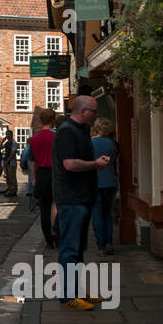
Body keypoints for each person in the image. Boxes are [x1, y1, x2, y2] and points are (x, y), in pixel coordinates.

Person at [52, 95, 112, 310]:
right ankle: (68, 296)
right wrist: (95, 164)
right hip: (71, 198)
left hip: (82, 197)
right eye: (94, 111)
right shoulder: (67, 132)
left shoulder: (81, 130)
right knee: (69, 248)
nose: (96, 116)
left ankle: (75, 290)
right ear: (83, 111)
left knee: (78, 248)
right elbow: (69, 164)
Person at [30, 108, 58, 249]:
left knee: (44, 209)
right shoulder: (57, 136)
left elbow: (32, 162)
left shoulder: (35, 138)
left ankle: (48, 240)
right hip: (56, 174)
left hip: (41, 175)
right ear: (53, 121)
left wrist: (34, 178)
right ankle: (57, 232)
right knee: (57, 204)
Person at [91, 117, 119, 256]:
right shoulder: (111, 144)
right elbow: (112, 161)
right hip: (110, 181)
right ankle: (109, 243)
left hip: (94, 181)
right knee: (107, 213)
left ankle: (101, 246)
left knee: (96, 213)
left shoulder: (89, 143)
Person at [19, 137, 38, 213]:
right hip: (38, 167)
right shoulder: (35, 147)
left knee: (32, 180)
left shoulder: (27, 148)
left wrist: (23, 166)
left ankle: (33, 202)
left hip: (31, 165)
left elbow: (23, 158)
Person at [0, 128, 19, 197]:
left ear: (11, 135)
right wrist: (2, 141)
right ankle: (9, 188)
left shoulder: (14, 143)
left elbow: (13, 153)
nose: (7, 136)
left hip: (11, 162)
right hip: (6, 162)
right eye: (6, 134)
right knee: (7, 177)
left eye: (8, 134)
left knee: (12, 177)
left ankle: (13, 191)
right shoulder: (7, 143)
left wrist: (7, 160)